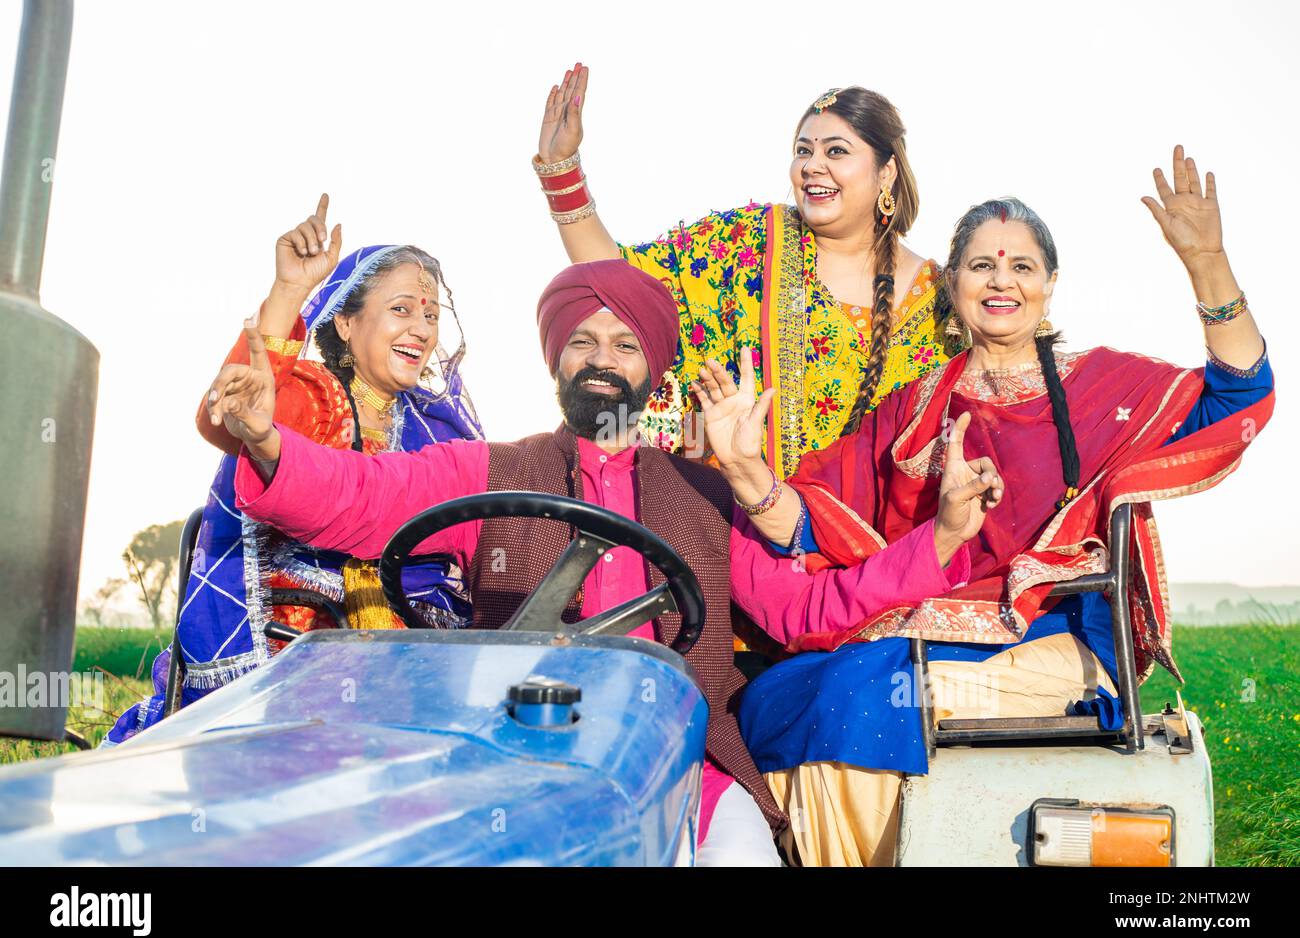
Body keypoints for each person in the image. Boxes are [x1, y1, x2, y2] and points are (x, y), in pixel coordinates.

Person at [205, 258, 995, 865]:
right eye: (582, 340)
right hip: (519, 757)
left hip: (688, 765)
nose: (601, 358)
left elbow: (807, 610)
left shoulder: (706, 495)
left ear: (651, 369)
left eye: (623, 343)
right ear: (556, 361)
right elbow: (358, 495)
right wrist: (269, 440)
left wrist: (947, 538)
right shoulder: (490, 470)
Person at [693, 147, 1274, 865]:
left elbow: (1239, 394)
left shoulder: (1103, 390)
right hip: (915, 634)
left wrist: (1207, 264)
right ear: (954, 283)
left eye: (1022, 267)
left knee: (865, 691)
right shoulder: (913, 409)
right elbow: (812, 520)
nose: (1002, 281)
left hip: (1052, 640)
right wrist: (747, 472)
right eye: (982, 265)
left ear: (1050, 286)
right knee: (781, 695)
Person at [104, 197, 482, 745]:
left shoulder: (440, 426)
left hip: (418, 638)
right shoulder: (314, 395)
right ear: (347, 324)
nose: (421, 328)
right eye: (401, 309)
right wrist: (288, 291)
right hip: (295, 631)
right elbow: (233, 421)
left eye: (430, 314)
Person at [534, 64, 959, 476]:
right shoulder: (750, 243)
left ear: (886, 172)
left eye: (836, 151)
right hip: (736, 528)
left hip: (893, 542)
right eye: (803, 151)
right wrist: (563, 169)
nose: (812, 166)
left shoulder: (947, 300)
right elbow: (623, 283)